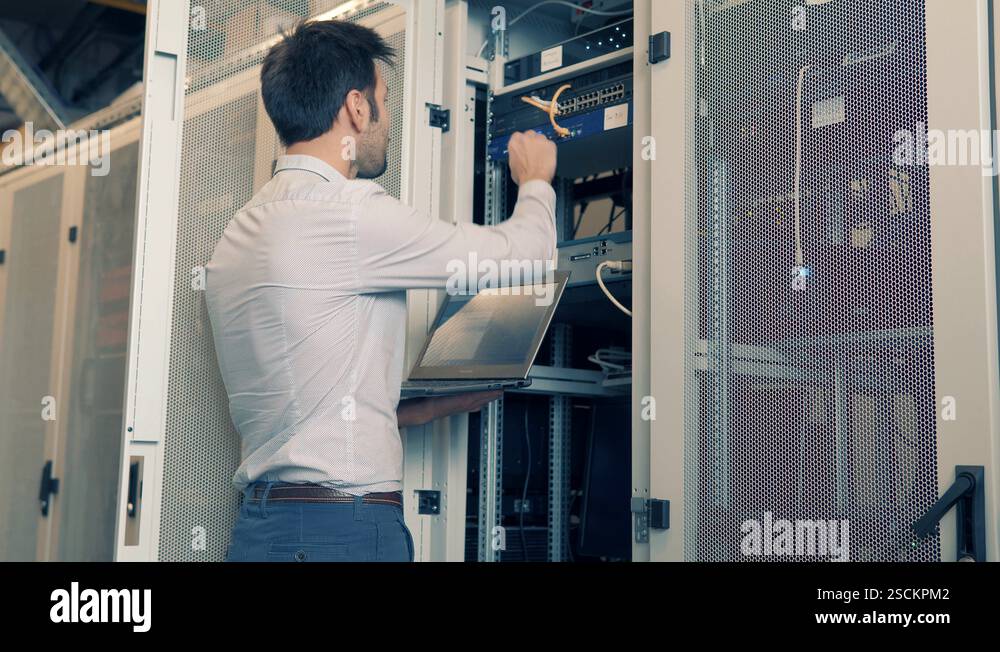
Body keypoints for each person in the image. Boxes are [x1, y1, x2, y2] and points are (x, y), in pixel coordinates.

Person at [205, 19, 557, 562]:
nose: (386, 121)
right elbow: (525, 259)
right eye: (384, 102)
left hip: (262, 529)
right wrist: (535, 181)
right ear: (356, 108)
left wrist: (427, 409)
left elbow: (308, 407)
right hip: (342, 531)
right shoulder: (348, 212)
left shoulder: (240, 231)